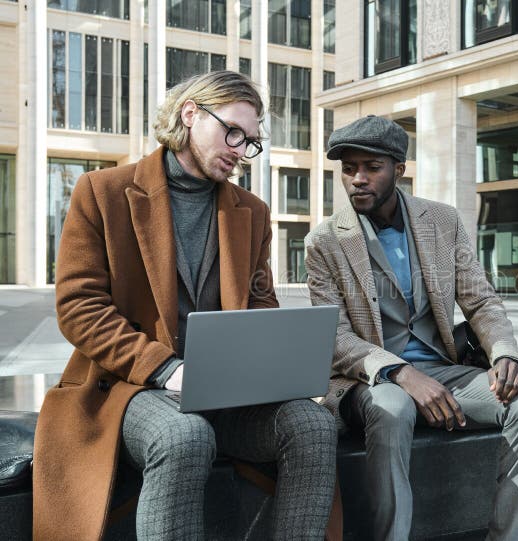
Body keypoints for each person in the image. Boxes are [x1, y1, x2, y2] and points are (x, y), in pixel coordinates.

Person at [33, 71, 337, 541]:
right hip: (128, 388)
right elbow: (79, 307)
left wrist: (282, 370)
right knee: (184, 435)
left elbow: (260, 305)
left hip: (230, 394)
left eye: (250, 142)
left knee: (314, 424)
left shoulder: (252, 212)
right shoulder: (102, 192)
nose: (240, 149)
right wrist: (166, 370)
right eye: (232, 132)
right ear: (190, 114)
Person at [305, 115, 518, 540]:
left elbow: (480, 299)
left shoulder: (443, 221)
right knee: (394, 408)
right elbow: (335, 337)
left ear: (399, 169)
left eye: (371, 167)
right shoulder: (324, 242)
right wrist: (399, 372)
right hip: (368, 378)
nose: (357, 179)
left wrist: (505, 352)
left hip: (443, 369)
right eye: (348, 169)